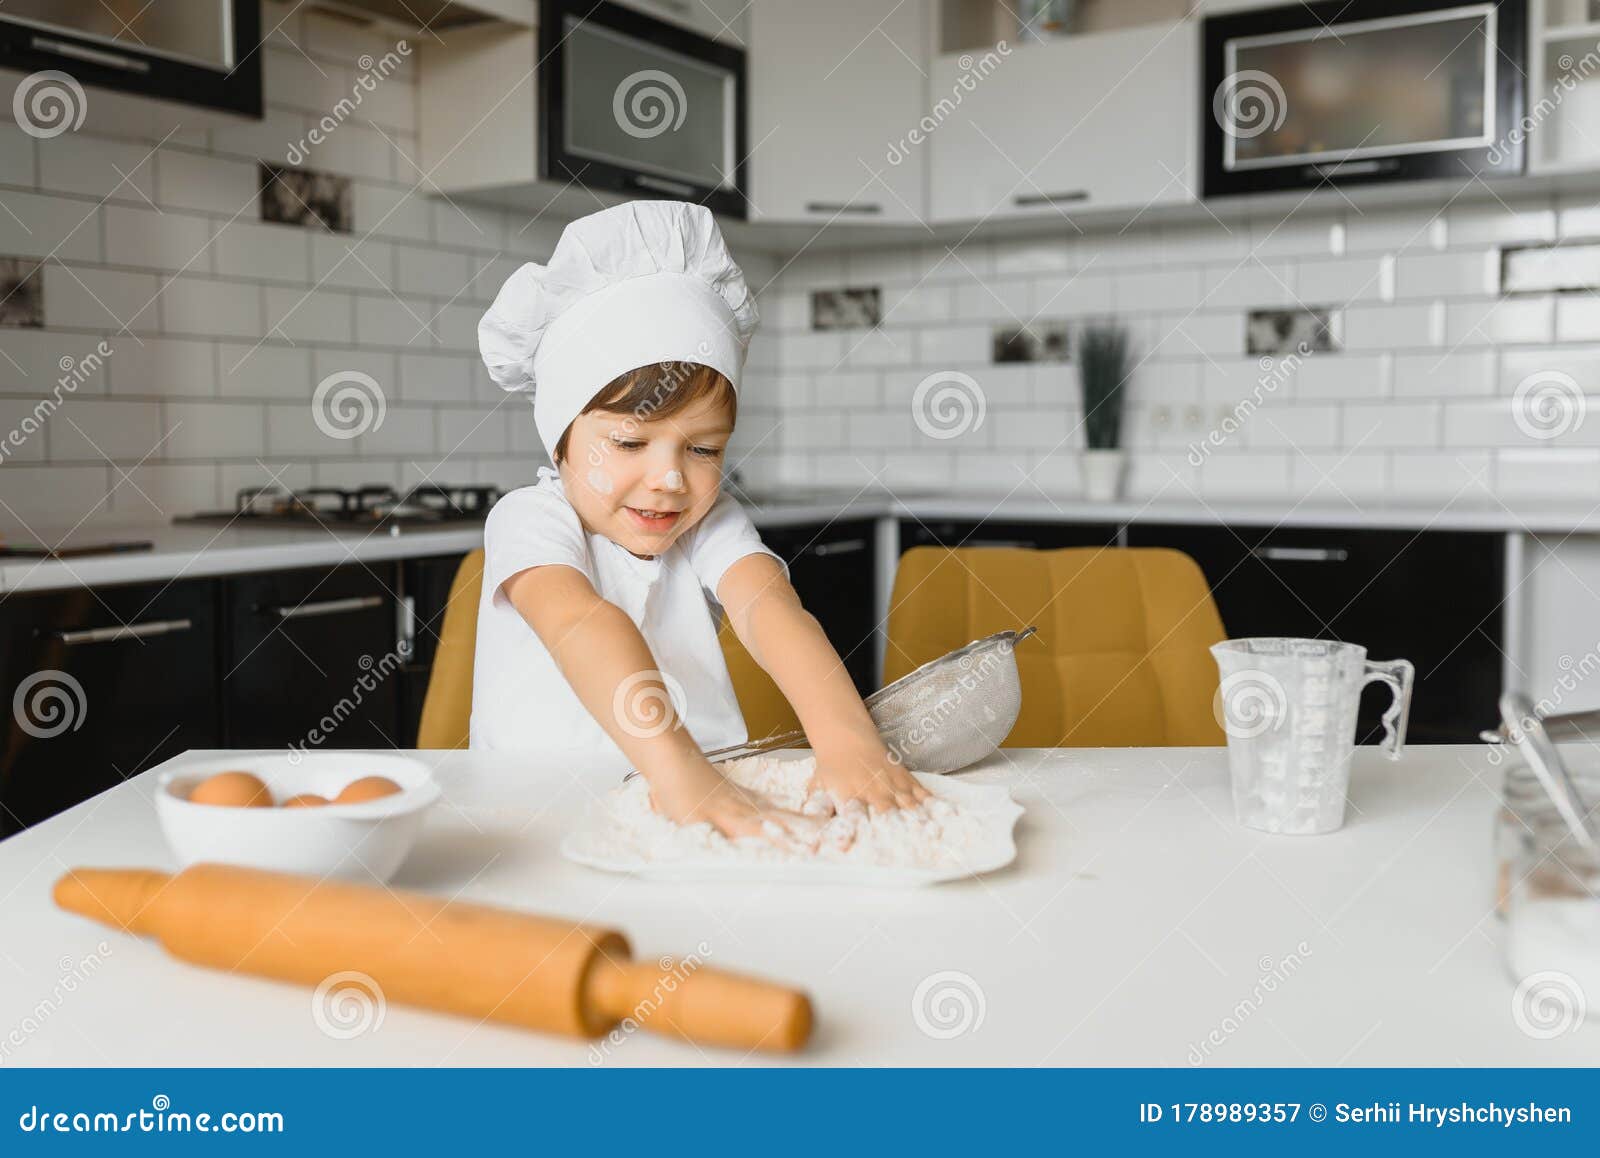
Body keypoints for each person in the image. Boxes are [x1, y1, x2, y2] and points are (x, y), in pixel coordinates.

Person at [473, 201, 928, 843]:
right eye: (631, 444)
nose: (670, 479)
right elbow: (579, 620)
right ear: (560, 441)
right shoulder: (529, 519)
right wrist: (678, 772)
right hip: (534, 821)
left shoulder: (708, 522)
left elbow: (771, 610)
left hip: (715, 802)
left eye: (704, 449)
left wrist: (848, 739)